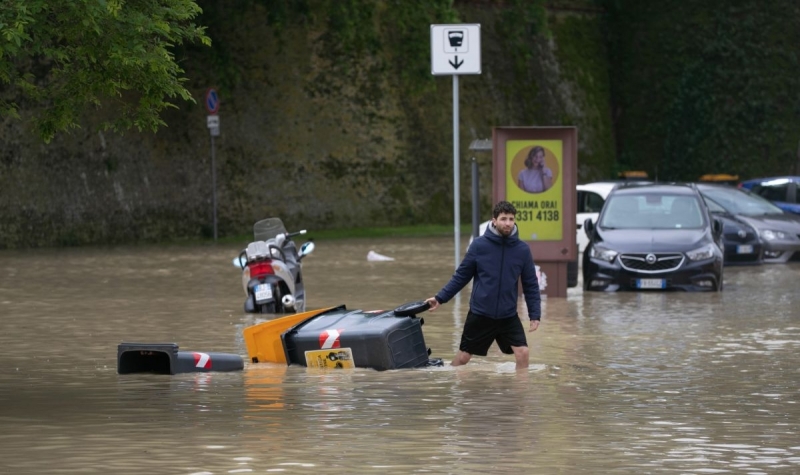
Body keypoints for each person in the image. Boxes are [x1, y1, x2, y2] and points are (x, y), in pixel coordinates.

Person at [425, 201, 541, 370]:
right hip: (480, 314)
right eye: (503, 219)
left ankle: (519, 393)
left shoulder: (522, 250)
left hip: (508, 315)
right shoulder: (479, 246)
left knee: (523, 353)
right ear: (494, 220)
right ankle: (452, 384)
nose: (508, 223)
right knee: (463, 358)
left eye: (511, 219)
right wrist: (440, 298)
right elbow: (461, 276)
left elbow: (531, 284)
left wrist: (535, 314)